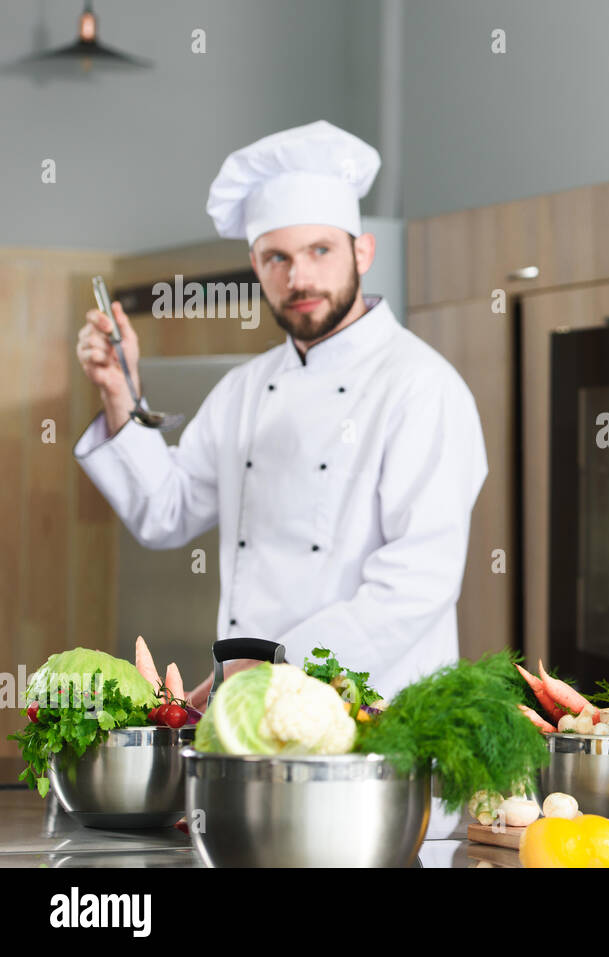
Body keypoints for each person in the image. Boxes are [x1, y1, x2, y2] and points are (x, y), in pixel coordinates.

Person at [74, 120, 488, 705]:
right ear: (256, 265)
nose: (299, 278)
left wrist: (267, 669)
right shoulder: (245, 389)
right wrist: (121, 393)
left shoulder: (422, 387)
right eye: (277, 258)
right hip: (249, 713)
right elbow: (164, 513)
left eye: (320, 250)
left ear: (361, 251)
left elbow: (416, 584)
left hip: (372, 716)